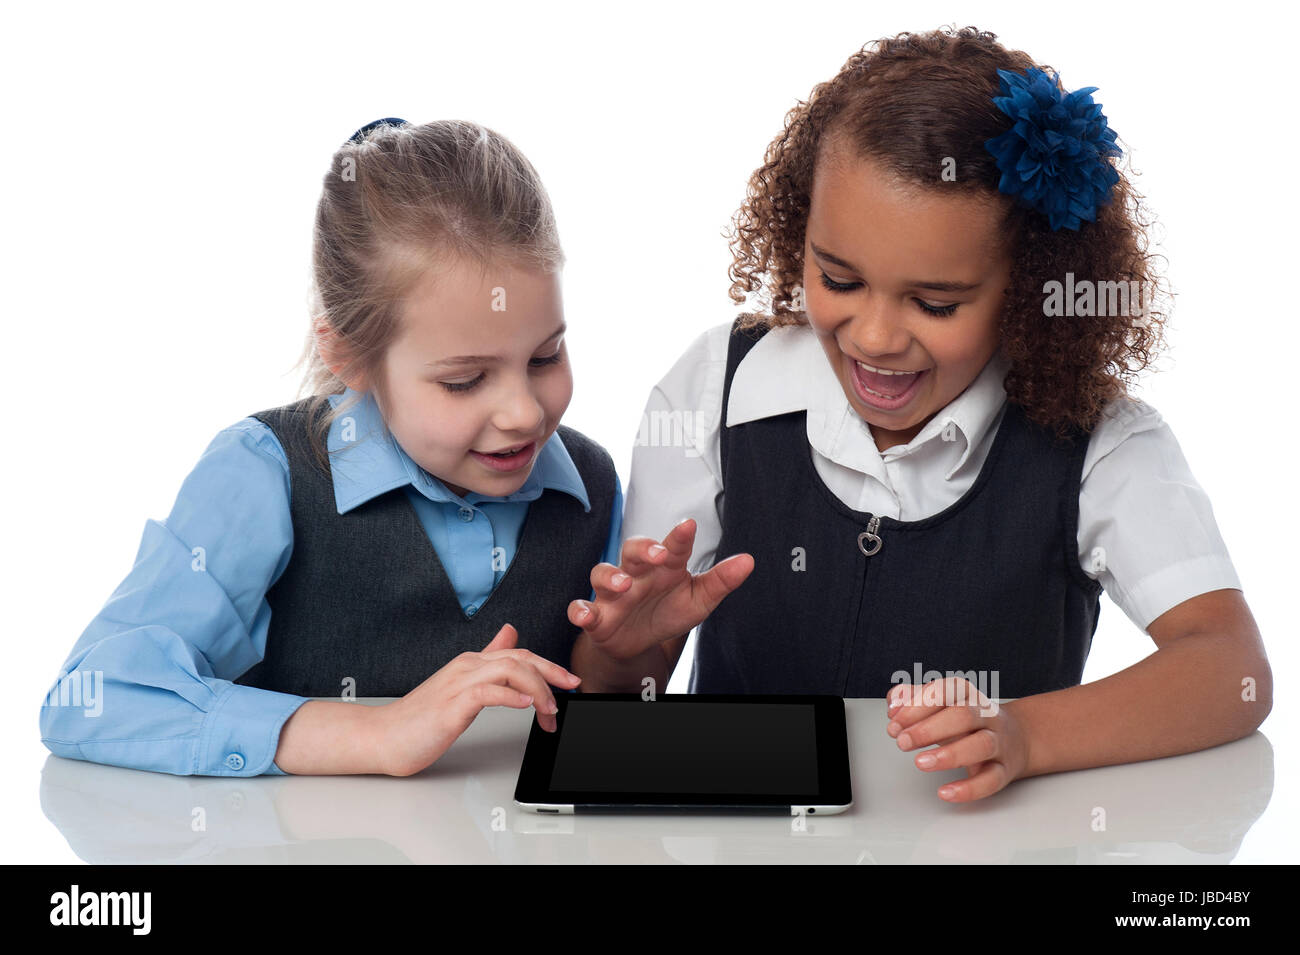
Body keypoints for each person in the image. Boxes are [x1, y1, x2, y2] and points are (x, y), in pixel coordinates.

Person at [568, 27, 1272, 802]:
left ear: (1033, 287)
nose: (873, 336)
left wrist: (1027, 735)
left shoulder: (1098, 443)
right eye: (838, 278)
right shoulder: (716, 387)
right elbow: (618, 705)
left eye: (936, 302)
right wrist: (624, 655)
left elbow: (1230, 668)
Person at [40, 118, 622, 777]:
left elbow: (590, 727)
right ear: (349, 354)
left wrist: (631, 655)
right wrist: (376, 732)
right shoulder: (265, 474)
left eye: (546, 356)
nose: (523, 413)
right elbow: (88, 700)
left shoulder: (593, 486)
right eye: (465, 380)